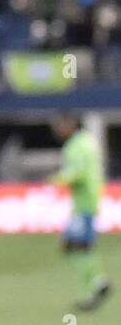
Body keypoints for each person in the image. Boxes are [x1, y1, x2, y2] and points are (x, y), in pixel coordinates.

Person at [51, 114, 111, 312]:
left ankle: (96, 285)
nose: (57, 129)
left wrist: (56, 179)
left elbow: (77, 172)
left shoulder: (75, 147)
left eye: (59, 124)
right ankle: (97, 284)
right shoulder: (88, 141)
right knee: (77, 246)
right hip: (89, 201)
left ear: (69, 124)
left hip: (84, 204)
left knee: (74, 246)